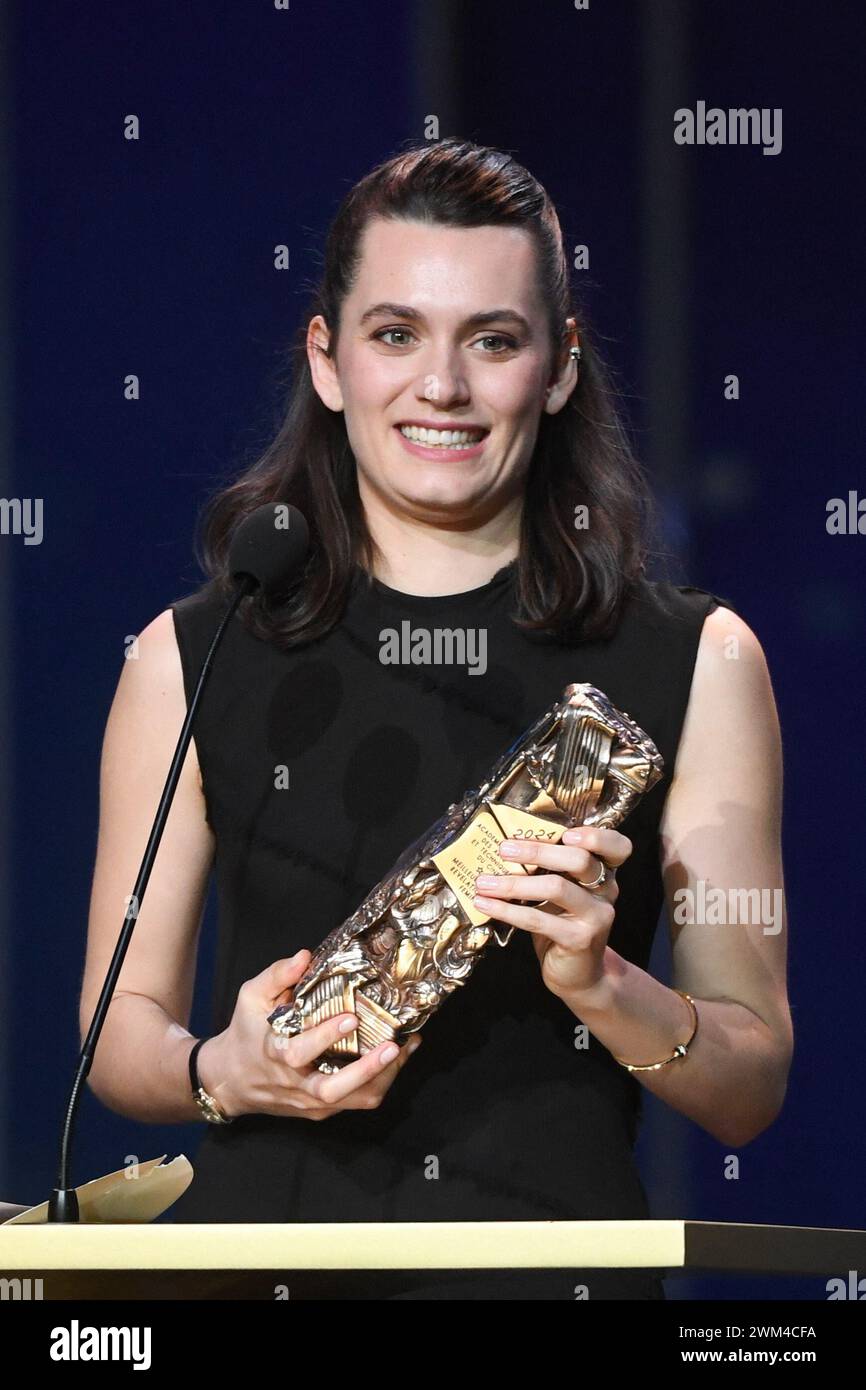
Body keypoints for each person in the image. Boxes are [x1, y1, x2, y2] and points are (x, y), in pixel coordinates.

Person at [80, 138, 793, 1300]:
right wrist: (226, 1070)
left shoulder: (695, 659)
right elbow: (119, 1039)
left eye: (494, 341)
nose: (442, 387)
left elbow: (749, 1081)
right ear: (327, 359)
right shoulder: (190, 656)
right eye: (395, 334)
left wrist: (602, 985)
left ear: (557, 367)